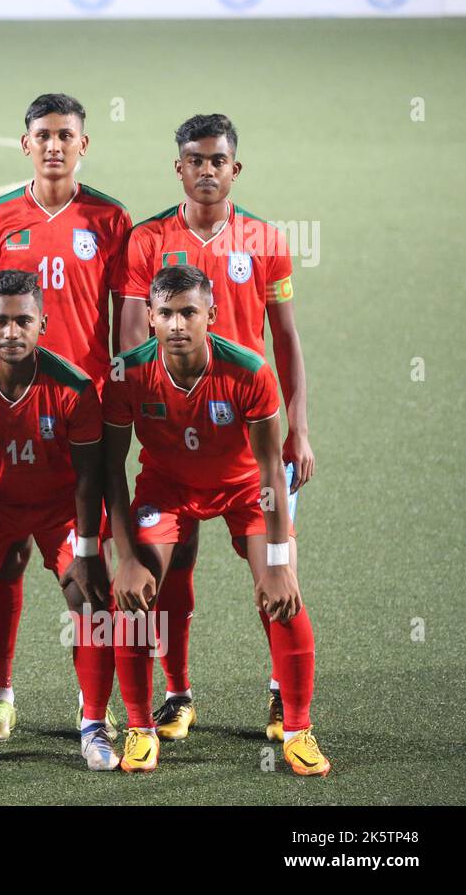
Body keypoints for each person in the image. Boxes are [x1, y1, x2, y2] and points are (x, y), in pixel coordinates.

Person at [119, 114, 313, 742]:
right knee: (171, 575)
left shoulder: (265, 239)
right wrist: (141, 396)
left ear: (235, 168)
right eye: (195, 160)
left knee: (278, 576)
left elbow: (284, 338)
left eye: (217, 160)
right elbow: (128, 335)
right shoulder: (148, 240)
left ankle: (286, 700)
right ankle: (176, 695)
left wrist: (299, 431)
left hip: (246, 432)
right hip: (173, 438)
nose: (207, 170)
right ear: (179, 167)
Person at [102, 265, 329, 777]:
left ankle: (297, 730)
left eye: (188, 312)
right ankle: (141, 728)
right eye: (166, 313)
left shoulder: (249, 370)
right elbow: (111, 470)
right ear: (150, 319)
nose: (178, 324)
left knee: (285, 598)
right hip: (167, 488)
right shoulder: (126, 374)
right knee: (134, 601)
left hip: (246, 487)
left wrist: (277, 560)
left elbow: (272, 470)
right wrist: (124, 558)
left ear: (213, 315)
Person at [0, 92, 132, 738]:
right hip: (5, 417)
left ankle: (96, 706)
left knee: (88, 567)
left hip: (81, 424)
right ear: (25, 143)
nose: (54, 144)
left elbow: (129, 316)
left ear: (83, 144)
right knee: (2, 564)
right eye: (43, 134)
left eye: (66, 134)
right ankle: (1, 695)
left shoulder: (111, 219)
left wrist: (119, 394)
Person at [0, 270, 115, 772]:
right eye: (1, 322)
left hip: (60, 508)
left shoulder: (75, 388)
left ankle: (94, 723)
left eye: (23, 321)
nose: (12, 333)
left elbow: (87, 478)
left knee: (93, 600)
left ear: (43, 323)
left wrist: (85, 552)